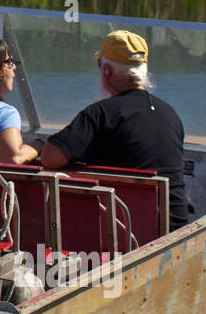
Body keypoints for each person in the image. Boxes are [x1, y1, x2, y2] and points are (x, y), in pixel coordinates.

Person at [41, 30, 187, 230]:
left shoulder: (101, 113)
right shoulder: (169, 113)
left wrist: (37, 145)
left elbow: (50, 157)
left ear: (106, 71)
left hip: (129, 230)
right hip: (175, 227)